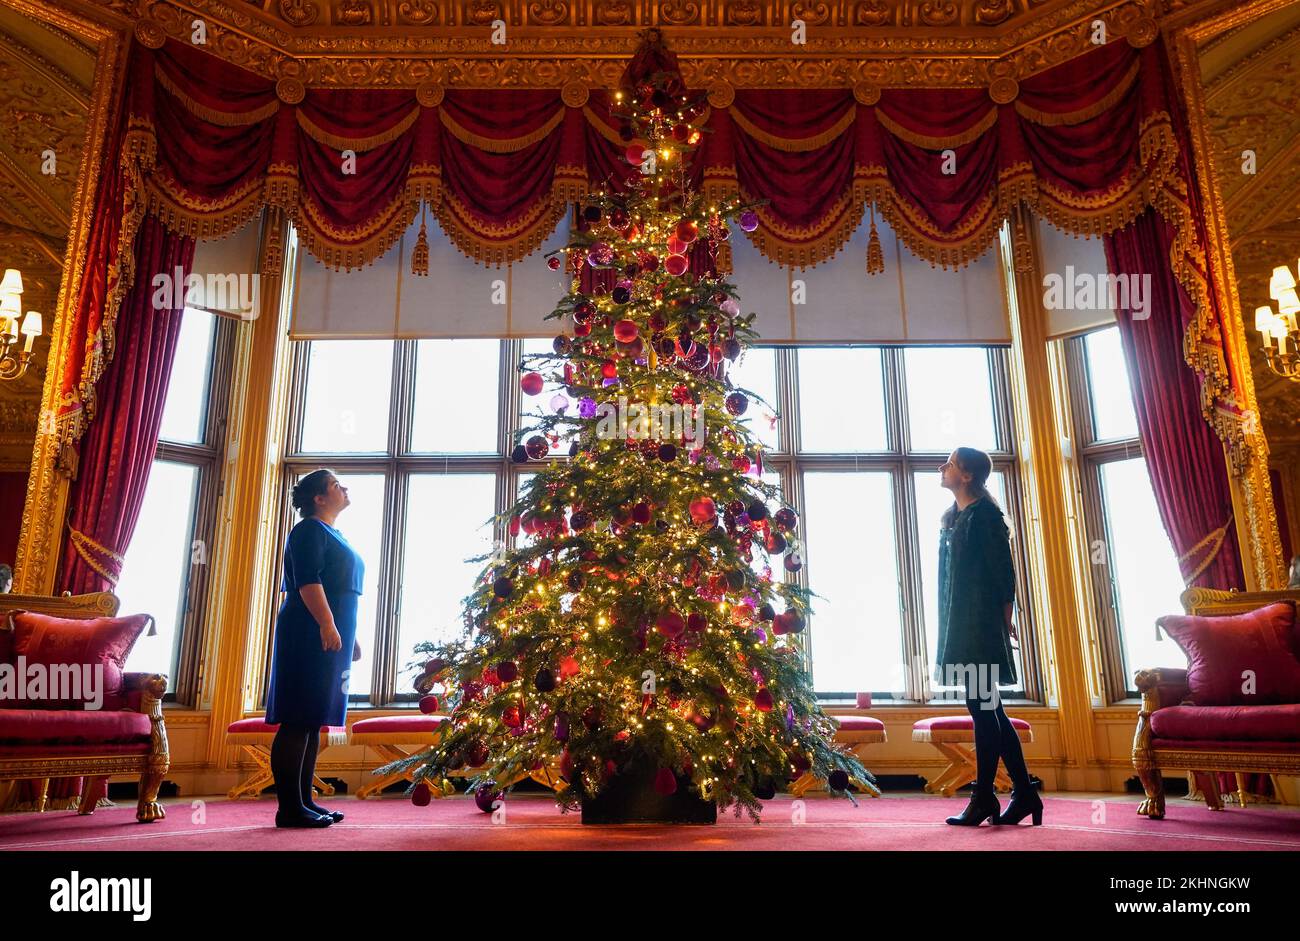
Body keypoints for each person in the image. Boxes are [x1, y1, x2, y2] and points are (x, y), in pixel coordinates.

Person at [934, 447, 1042, 827]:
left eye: (949, 463)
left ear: (966, 475)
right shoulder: (955, 517)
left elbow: (1004, 575)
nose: (942, 468)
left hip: (979, 625)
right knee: (990, 709)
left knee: (982, 710)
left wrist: (1004, 621)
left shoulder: (986, 516)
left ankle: (983, 798)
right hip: (961, 623)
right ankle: (1026, 794)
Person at [266, 469, 364, 828]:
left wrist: (346, 634)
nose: (345, 487)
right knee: (297, 719)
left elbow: (340, 590)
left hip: (327, 633)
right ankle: (289, 809)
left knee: (310, 722)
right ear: (319, 498)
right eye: (337, 484)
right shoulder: (308, 529)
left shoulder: (332, 533)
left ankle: (304, 802)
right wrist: (326, 623)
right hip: (308, 632)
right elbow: (308, 580)